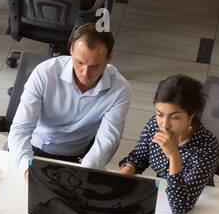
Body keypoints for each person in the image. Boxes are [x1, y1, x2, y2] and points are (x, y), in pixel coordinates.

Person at [8, 22, 131, 179]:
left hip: (78, 158)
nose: (85, 73)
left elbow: (108, 141)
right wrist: (28, 171)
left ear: (109, 57)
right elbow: (21, 128)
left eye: (94, 66)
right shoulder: (45, 73)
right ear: (71, 50)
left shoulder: (120, 89)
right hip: (33, 149)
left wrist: (81, 175)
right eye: (79, 62)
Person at [117, 74, 219, 214]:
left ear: (192, 115)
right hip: (161, 196)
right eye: (160, 114)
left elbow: (180, 207)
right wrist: (126, 172)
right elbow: (140, 156)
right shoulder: (155, 124)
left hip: (199, 203)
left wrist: (174, 156)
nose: (164, 124)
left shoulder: (206, 146)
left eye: (175, 117)